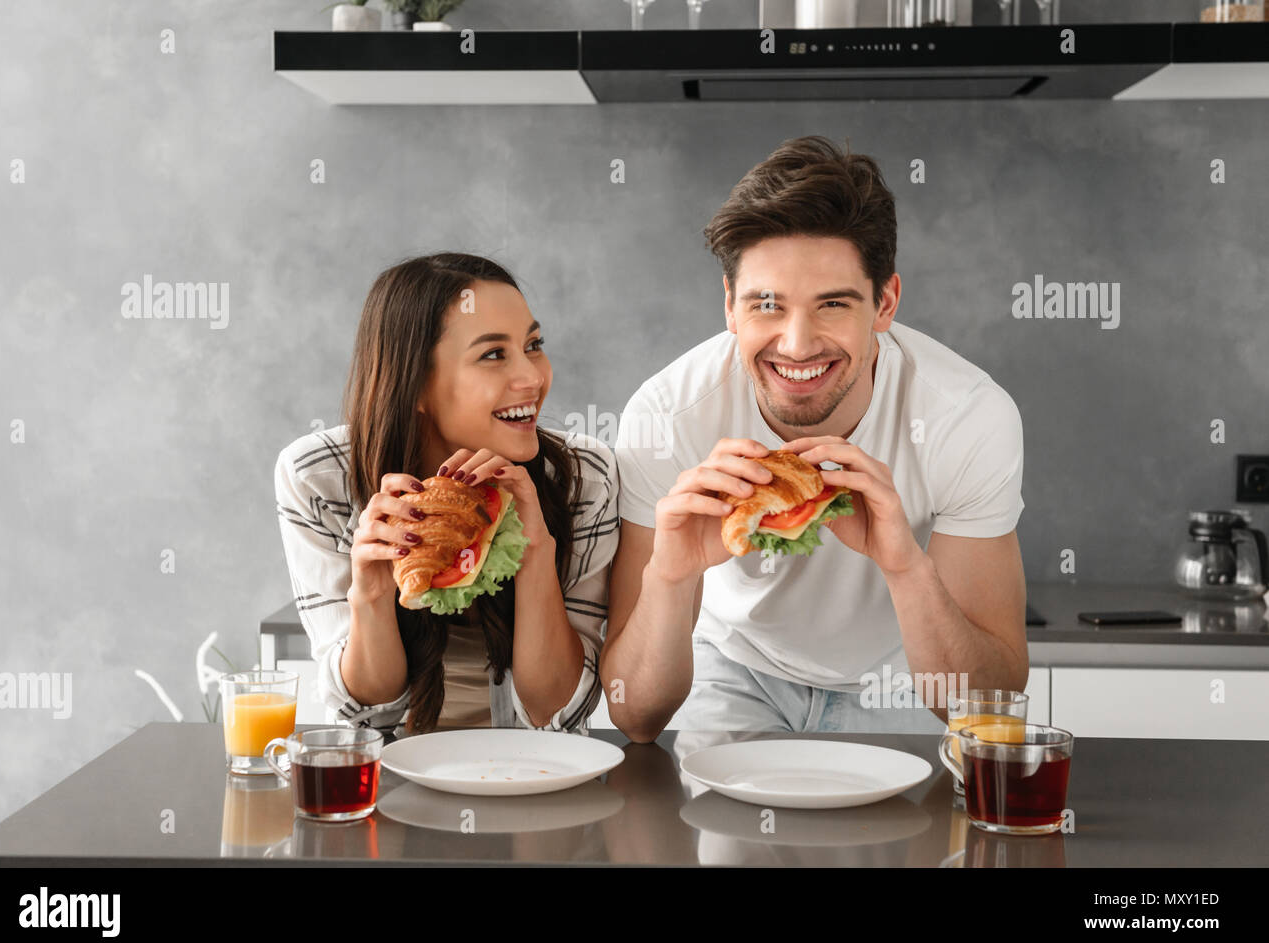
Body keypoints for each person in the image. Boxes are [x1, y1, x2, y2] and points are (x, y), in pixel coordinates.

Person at [601, 135, 1029, 740]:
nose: (797, 345)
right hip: (734, 670)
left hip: (899, 676)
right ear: (729, 306)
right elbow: (635, 716)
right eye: (766, 305)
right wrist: (671, 576)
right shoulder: (665, 417)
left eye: (832, 304)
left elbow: (987, 704)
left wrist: (905, 563)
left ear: (885, 303)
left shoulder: (968, 417)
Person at [274, 253, 619, 735]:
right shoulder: (319, 476)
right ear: (414, 383)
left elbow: (557, 712)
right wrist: (372, 592)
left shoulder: (585, 476)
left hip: (537, 777)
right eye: (494, 354)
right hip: (389, 780)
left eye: (534, 345)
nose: (534, 379)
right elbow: (369, 713)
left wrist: (536, 549)